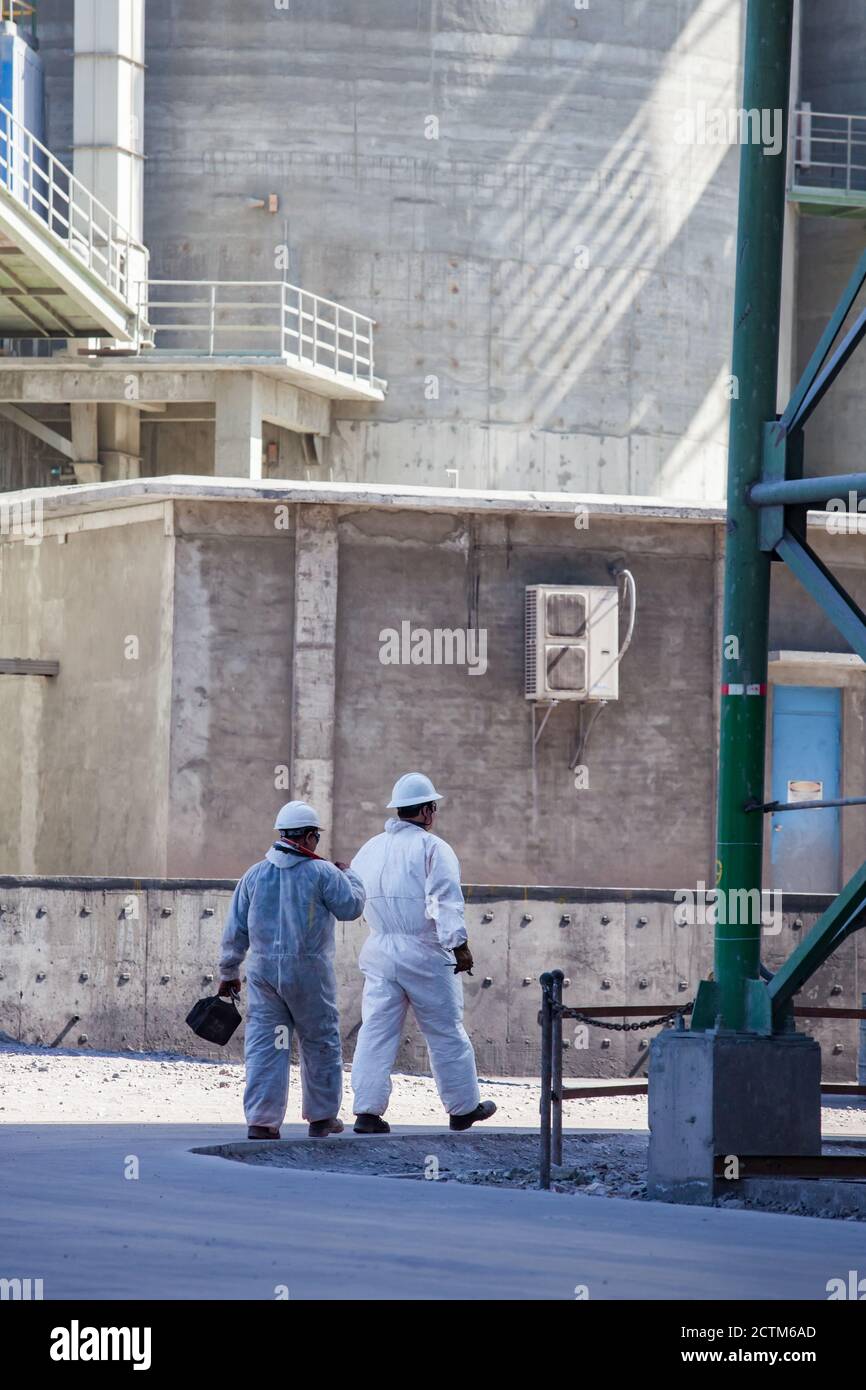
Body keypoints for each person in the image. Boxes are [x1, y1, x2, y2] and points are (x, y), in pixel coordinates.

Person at [349, 773, 496, 1134]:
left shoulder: (369, 848)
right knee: (445, 1030)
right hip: (425, 952)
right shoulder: (434, 849)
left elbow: (353, 895)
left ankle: (366, 1112)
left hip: (381, 949)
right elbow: (444, 900)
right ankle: (462, 1108)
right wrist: (458, 945)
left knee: (376, 1032)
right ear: (428, 811)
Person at [218, 801, 365, 1140]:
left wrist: (228, 972)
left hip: (264, 974)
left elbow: (235, 930)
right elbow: (351, 907)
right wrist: (350, 874)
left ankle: (262, 1121)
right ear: (311, 837)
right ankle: (322, 1117)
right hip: (309, 974)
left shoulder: (254, 875)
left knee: (266, 1045)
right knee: (320, 1042)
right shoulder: (324, 873)